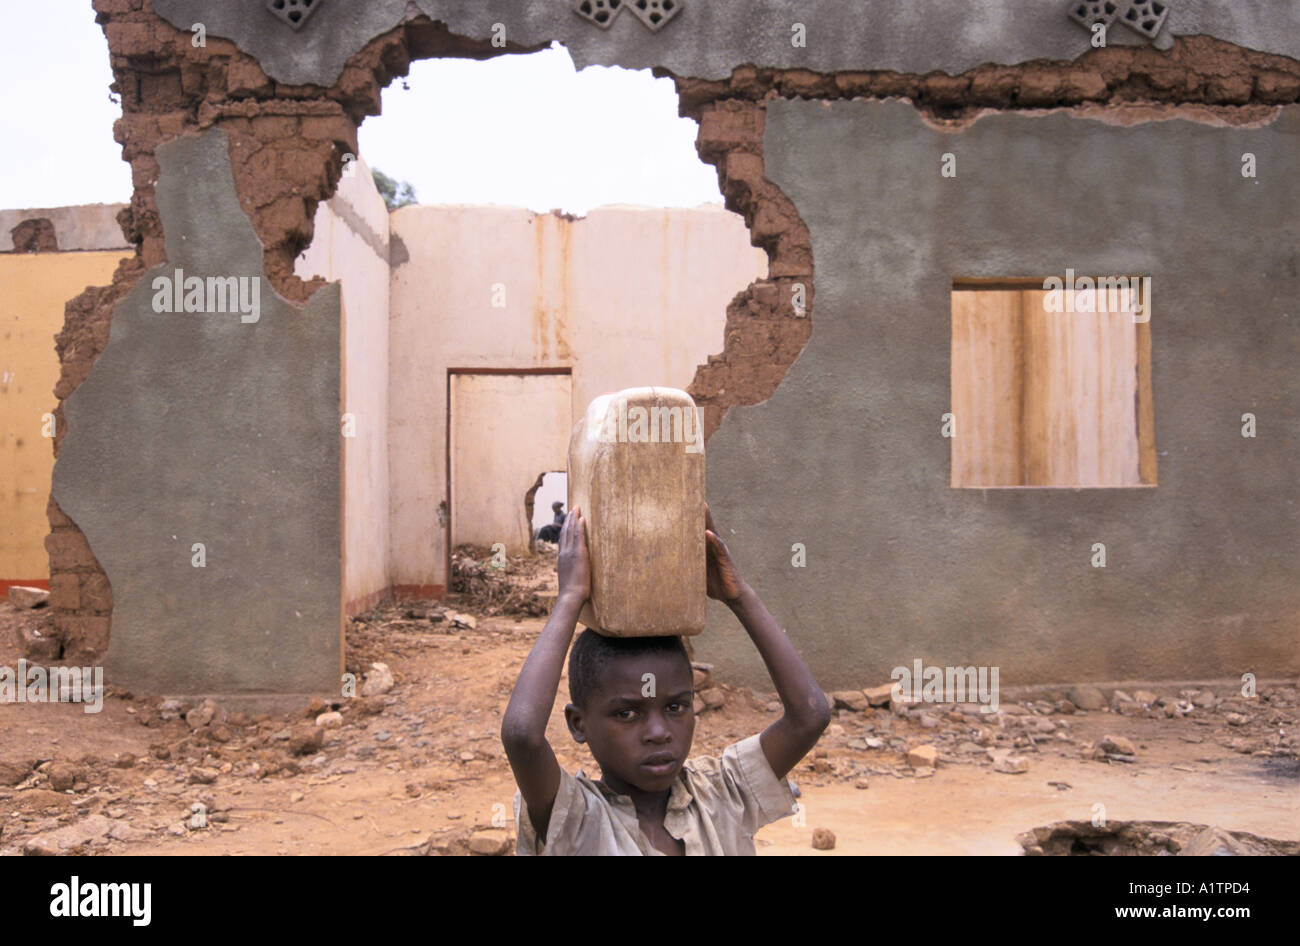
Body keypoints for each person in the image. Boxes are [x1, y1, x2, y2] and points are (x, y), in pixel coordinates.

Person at [500, 504, 830, 855]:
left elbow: (809, 716)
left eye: (675, 706)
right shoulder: (575, 820)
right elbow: (522, 735)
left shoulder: (721, 795)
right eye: (627, 713)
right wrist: (569, 599)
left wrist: (738, 596)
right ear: (578, 724)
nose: (659, 732)